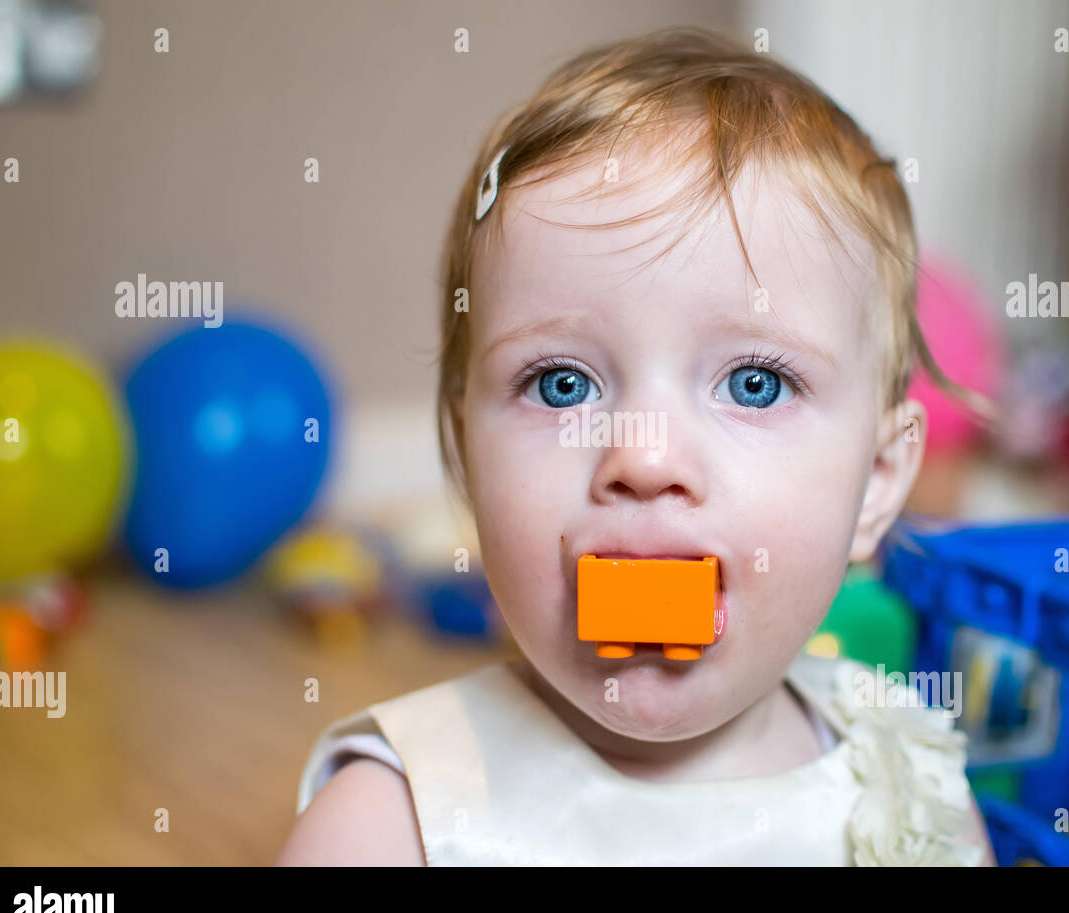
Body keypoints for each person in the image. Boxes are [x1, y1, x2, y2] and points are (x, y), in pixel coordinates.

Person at [279, 26, 996, 866]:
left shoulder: (908, 780)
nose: (646, 460)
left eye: (754, 383)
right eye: (562, 384)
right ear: (464, 458)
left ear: (877, 482)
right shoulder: (394, 823)